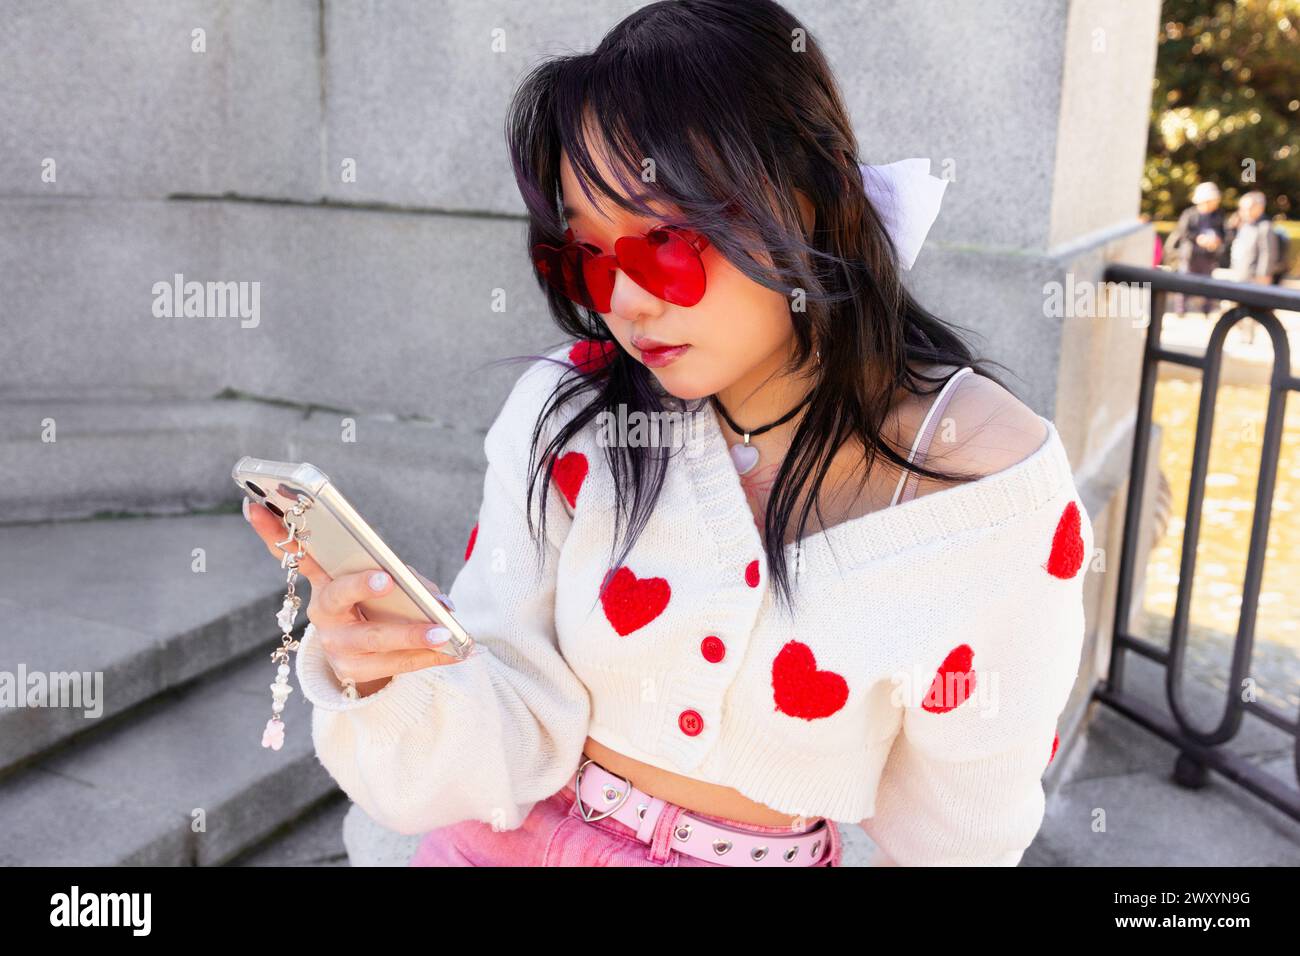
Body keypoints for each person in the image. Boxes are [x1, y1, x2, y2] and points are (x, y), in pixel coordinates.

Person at [245, 0, 1094, 868]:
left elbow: (965, 831)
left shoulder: (985, 490)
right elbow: (508, 725)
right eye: (586, 257)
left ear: (810, 199)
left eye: (666, 243)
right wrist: (396, 670)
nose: (625, 301)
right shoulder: (566, 412)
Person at [1224, 191, 1281, 344]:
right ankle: (1239, 332)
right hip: (1240, 274)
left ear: (1259, 208)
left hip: (1255, 276)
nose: (1243, 211)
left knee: (1253, 308)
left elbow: (1268, 253)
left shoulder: (1265, 227)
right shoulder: (1243, 226)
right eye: (1241, 208)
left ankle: (1248, 336)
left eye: (1248, 208)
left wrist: (1264, 274)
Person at [1165, 181, 1227, 316]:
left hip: (1209, 256)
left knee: (1207, 283)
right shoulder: (1189, 214)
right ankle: (1181, 309)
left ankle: (1207, 309)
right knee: (1185, 282)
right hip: (1190, 255)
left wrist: (1216, 241)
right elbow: (1183, 232)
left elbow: (1224, 233)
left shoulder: (1218, 215)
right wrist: (1198, 238)